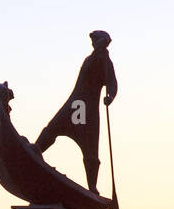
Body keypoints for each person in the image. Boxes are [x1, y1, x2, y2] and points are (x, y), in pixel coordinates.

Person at [35, 31, 117, 194]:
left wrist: (110, 96)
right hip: (76, 103)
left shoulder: (104, 62)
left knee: (90, 148)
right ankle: (35, 151)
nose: (93, 44)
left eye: (95, 41)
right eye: (93, 41)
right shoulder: (90, 59)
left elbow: (112, 83)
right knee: (52, 128)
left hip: (88, 109)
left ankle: (92, 186)